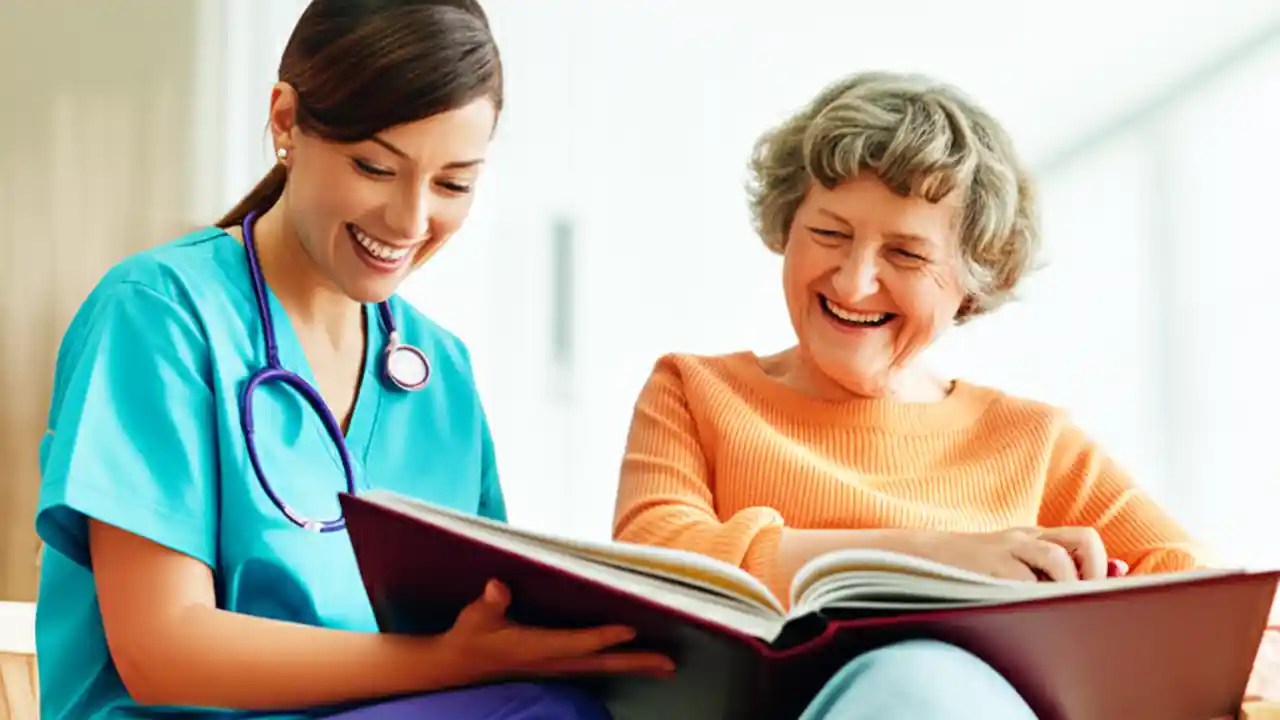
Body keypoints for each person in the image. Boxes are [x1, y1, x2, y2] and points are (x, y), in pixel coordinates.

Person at [32, 2, 673, 718]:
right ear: (285, 122)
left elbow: (482, 625)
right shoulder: (159, 313)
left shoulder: (439, 373)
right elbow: (163, 651)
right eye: (375, 167)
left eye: (454, 183)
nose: (409, 220)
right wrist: (444, 662)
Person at [612, 70, 1214, 718]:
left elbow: (1202, 596)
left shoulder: (1033, 441)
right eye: (829, 234)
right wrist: (939, 555)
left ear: (971, 281)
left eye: (905, 254)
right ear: (787, 226)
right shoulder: (697, 392)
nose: (854, 279)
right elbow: (656, 562)